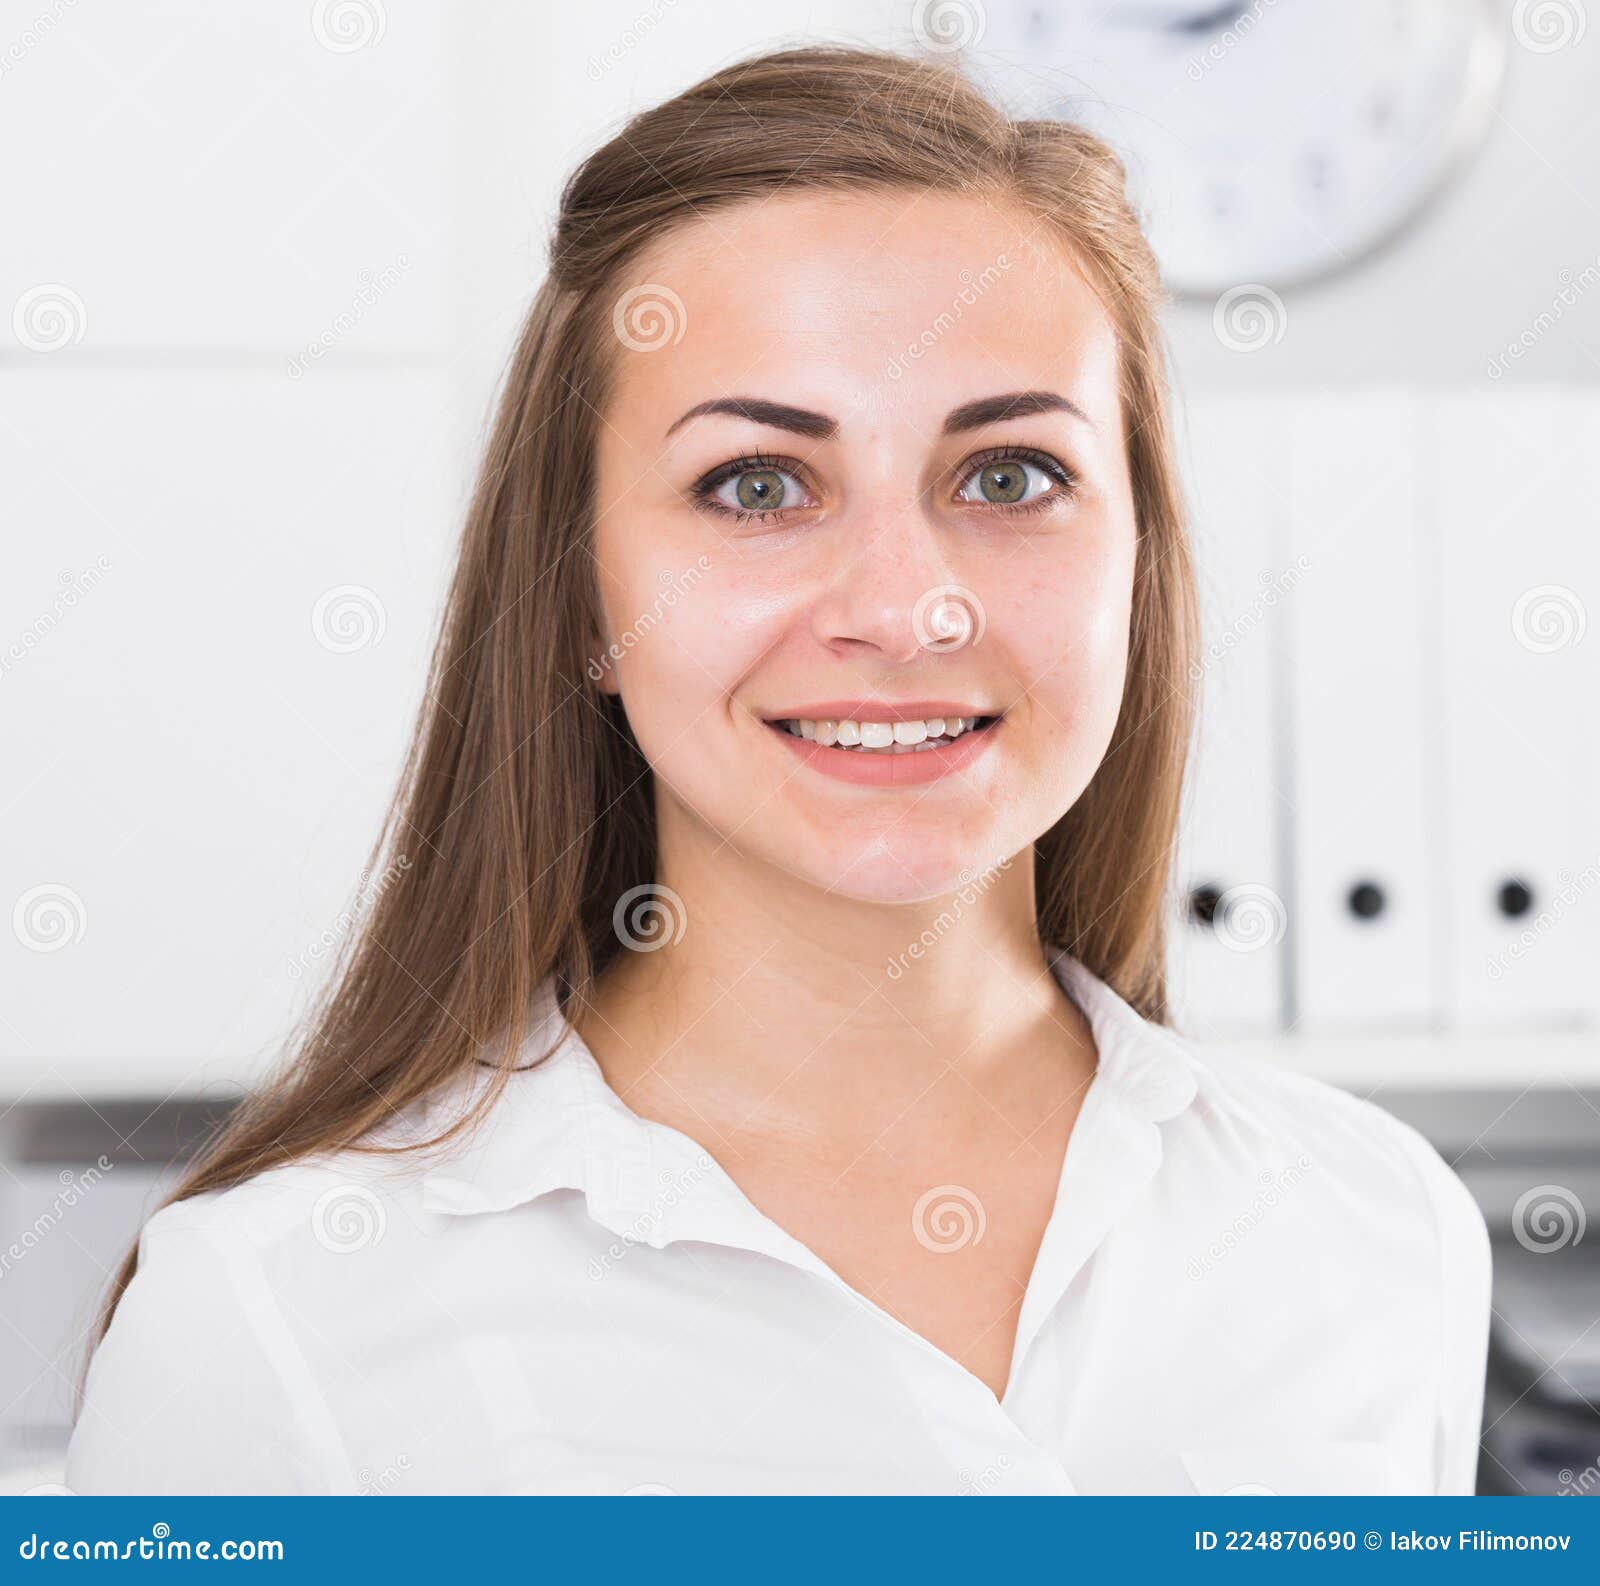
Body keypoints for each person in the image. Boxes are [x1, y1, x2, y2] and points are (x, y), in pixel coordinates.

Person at [66, 43, 1491, 1497]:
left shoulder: (1376, 1233)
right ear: (579, 596)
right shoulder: (269, 1320)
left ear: (1141, 563)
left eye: (1008, 476)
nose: (904, 607)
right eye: (756, 485)